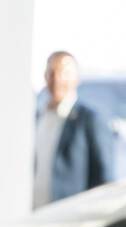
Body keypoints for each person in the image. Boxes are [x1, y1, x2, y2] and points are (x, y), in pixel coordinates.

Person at [33, 50, 115, 207]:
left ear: (76, 78)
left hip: (70, 215)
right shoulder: (38, 117)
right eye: (51, 72)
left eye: (64, 73)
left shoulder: (89, 120)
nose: (56, 79)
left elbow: (104, 178)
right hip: (37, 214)